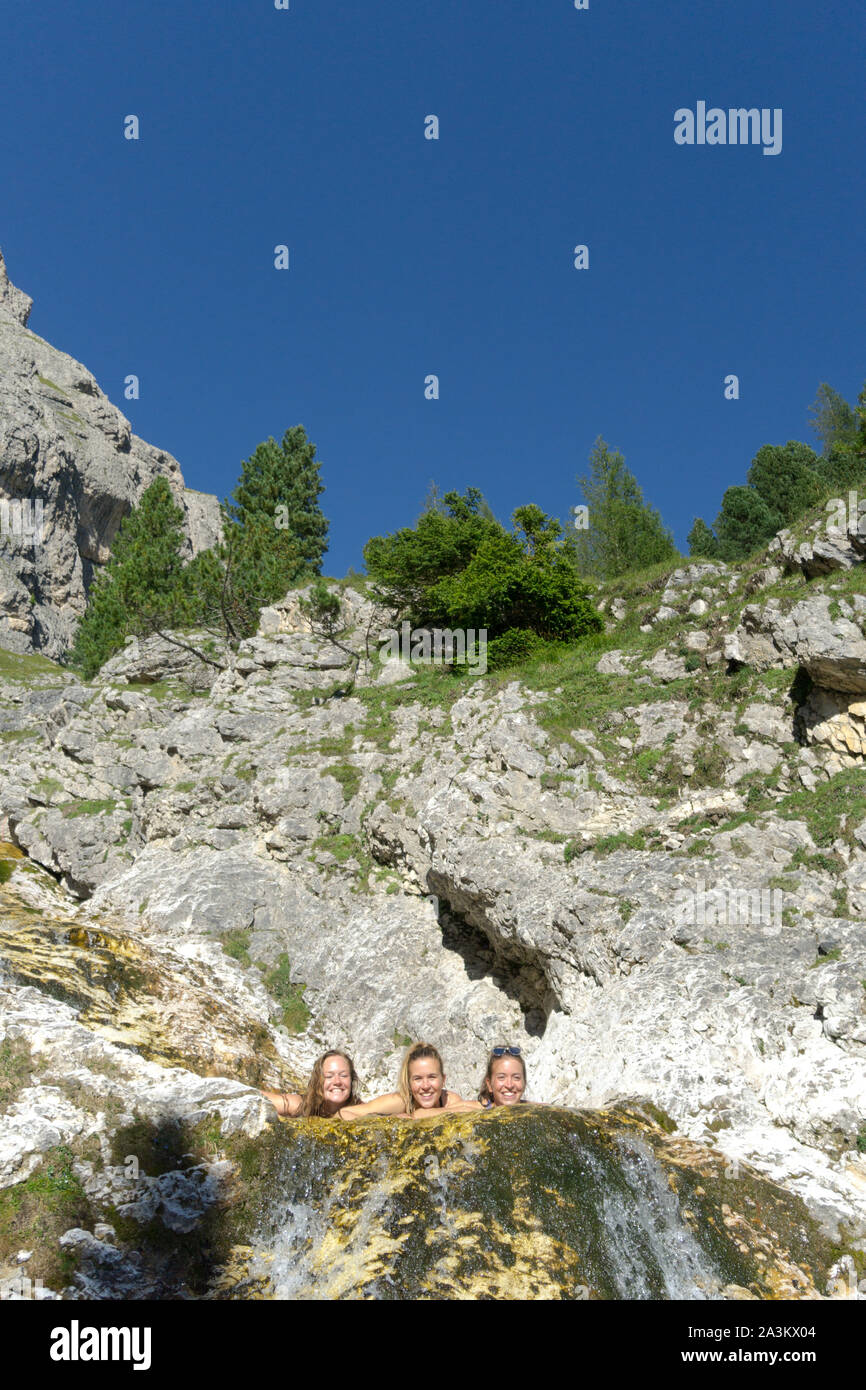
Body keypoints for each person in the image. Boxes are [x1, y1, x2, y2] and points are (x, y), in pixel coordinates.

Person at [339, 1041, 476, 1120]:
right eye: (417, 1079)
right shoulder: (401, 1100)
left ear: (443, 1080)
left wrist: (421, 1115)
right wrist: (385, 1123)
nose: (426, 1085)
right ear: (409, 1083)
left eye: (432, 1077)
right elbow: (342, 1114)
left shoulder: (449, 1100)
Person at [262, 1049, 362, 1118]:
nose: (337, 1081)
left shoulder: (362, 1111)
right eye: (329, 1076)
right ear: (318, 1081)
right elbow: (258, 1098)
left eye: (343, 1075)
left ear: (351, 1080)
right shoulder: (303, 1106)